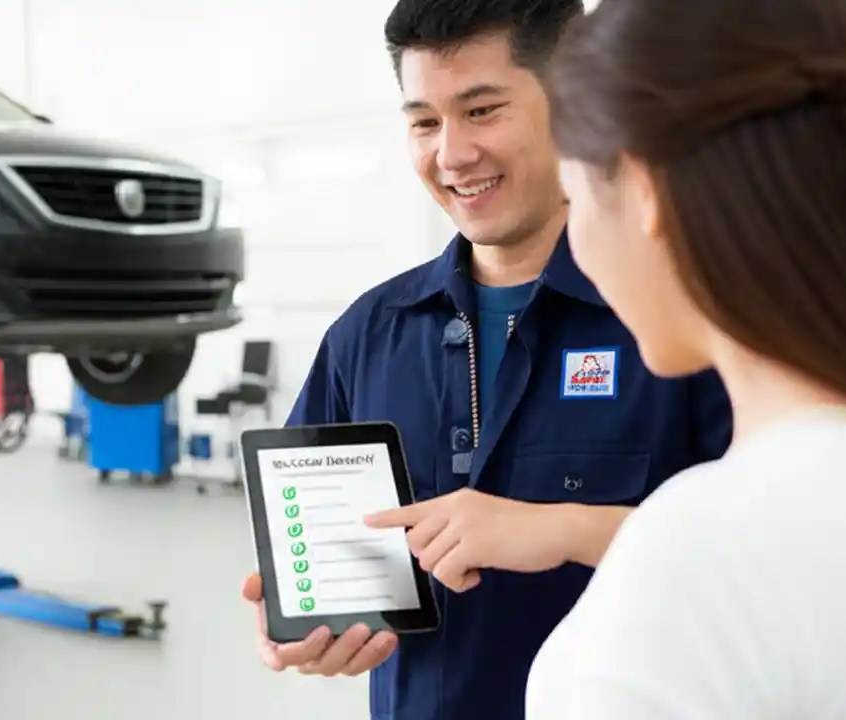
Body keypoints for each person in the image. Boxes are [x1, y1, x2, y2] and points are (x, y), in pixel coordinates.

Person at [374, 0, 846, 715]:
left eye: (579, 191)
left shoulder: (694, 560)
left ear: (642, 193)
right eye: (424, 120)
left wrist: (572, 529)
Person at [240, 1, 733, 718]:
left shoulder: (686, 319)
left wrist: (567, 529)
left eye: (482, 111)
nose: (451, 154)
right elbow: (309, 556)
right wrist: (301, 620)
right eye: (424, 122)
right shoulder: (367, 334)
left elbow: (778, 556)